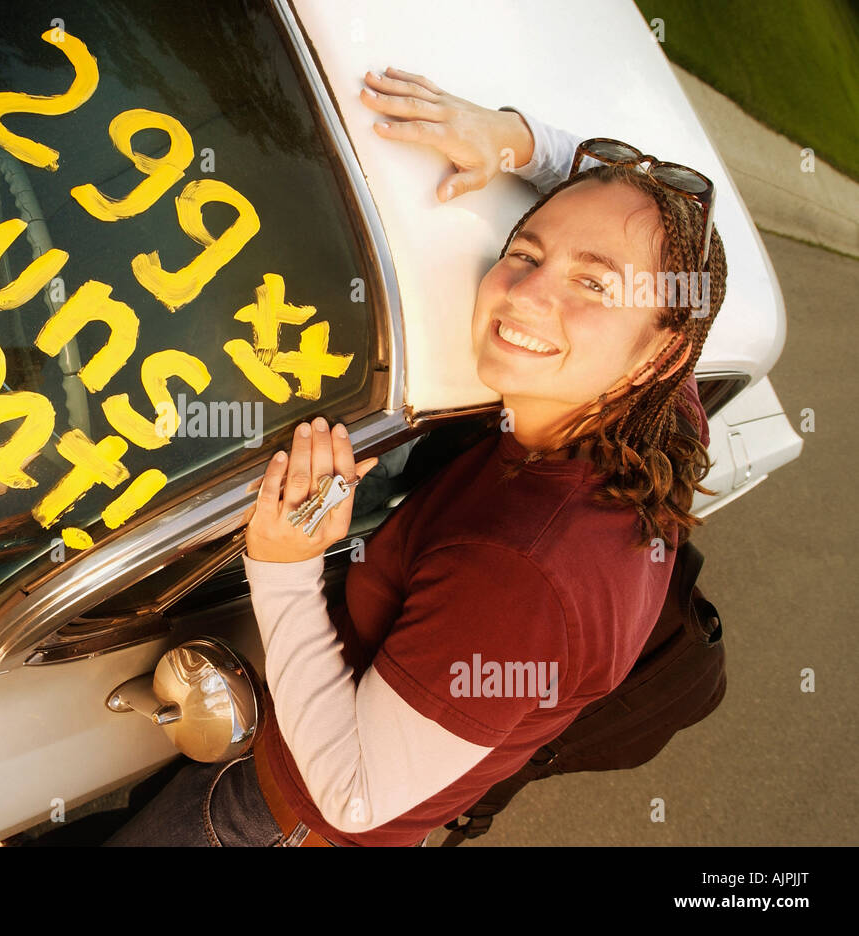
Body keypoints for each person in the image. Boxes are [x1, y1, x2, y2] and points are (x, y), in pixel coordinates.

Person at [103, 67, 724, 847]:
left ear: (661, 350)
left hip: (273, 824)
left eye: (592, 286)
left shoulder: (521, 572)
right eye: (526, 252)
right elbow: (658, 223)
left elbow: (355, 797)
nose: (529, 295)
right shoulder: (666, 403)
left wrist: (283, 565)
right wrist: (512, 141)